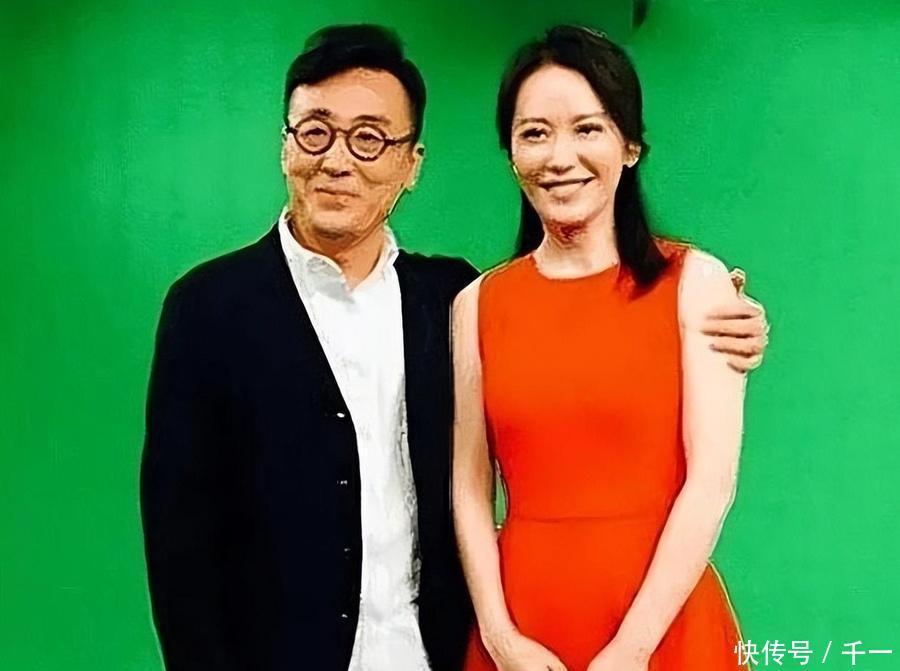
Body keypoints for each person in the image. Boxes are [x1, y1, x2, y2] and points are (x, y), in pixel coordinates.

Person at [141, 24, 767, 671]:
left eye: (369, 138)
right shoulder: (211, 308)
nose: (338, 161)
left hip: (456, 646)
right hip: (373, 645)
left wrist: (735, 321)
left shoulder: (444, 295)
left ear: (410, 164)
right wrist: (499, 634)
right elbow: (179, 537)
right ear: (285, 145)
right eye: (316, 132)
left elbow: (693, 457)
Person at [453, 26, 757, 671]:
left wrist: (630, 651)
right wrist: (500, 637)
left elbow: (711, 482)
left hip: (663, 624)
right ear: (511, 152)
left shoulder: (694, 282)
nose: (559, 157)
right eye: (535, 133)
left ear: (630, 145)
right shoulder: (476, 303)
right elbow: (470, 491)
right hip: (524, 627)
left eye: (588, 128)